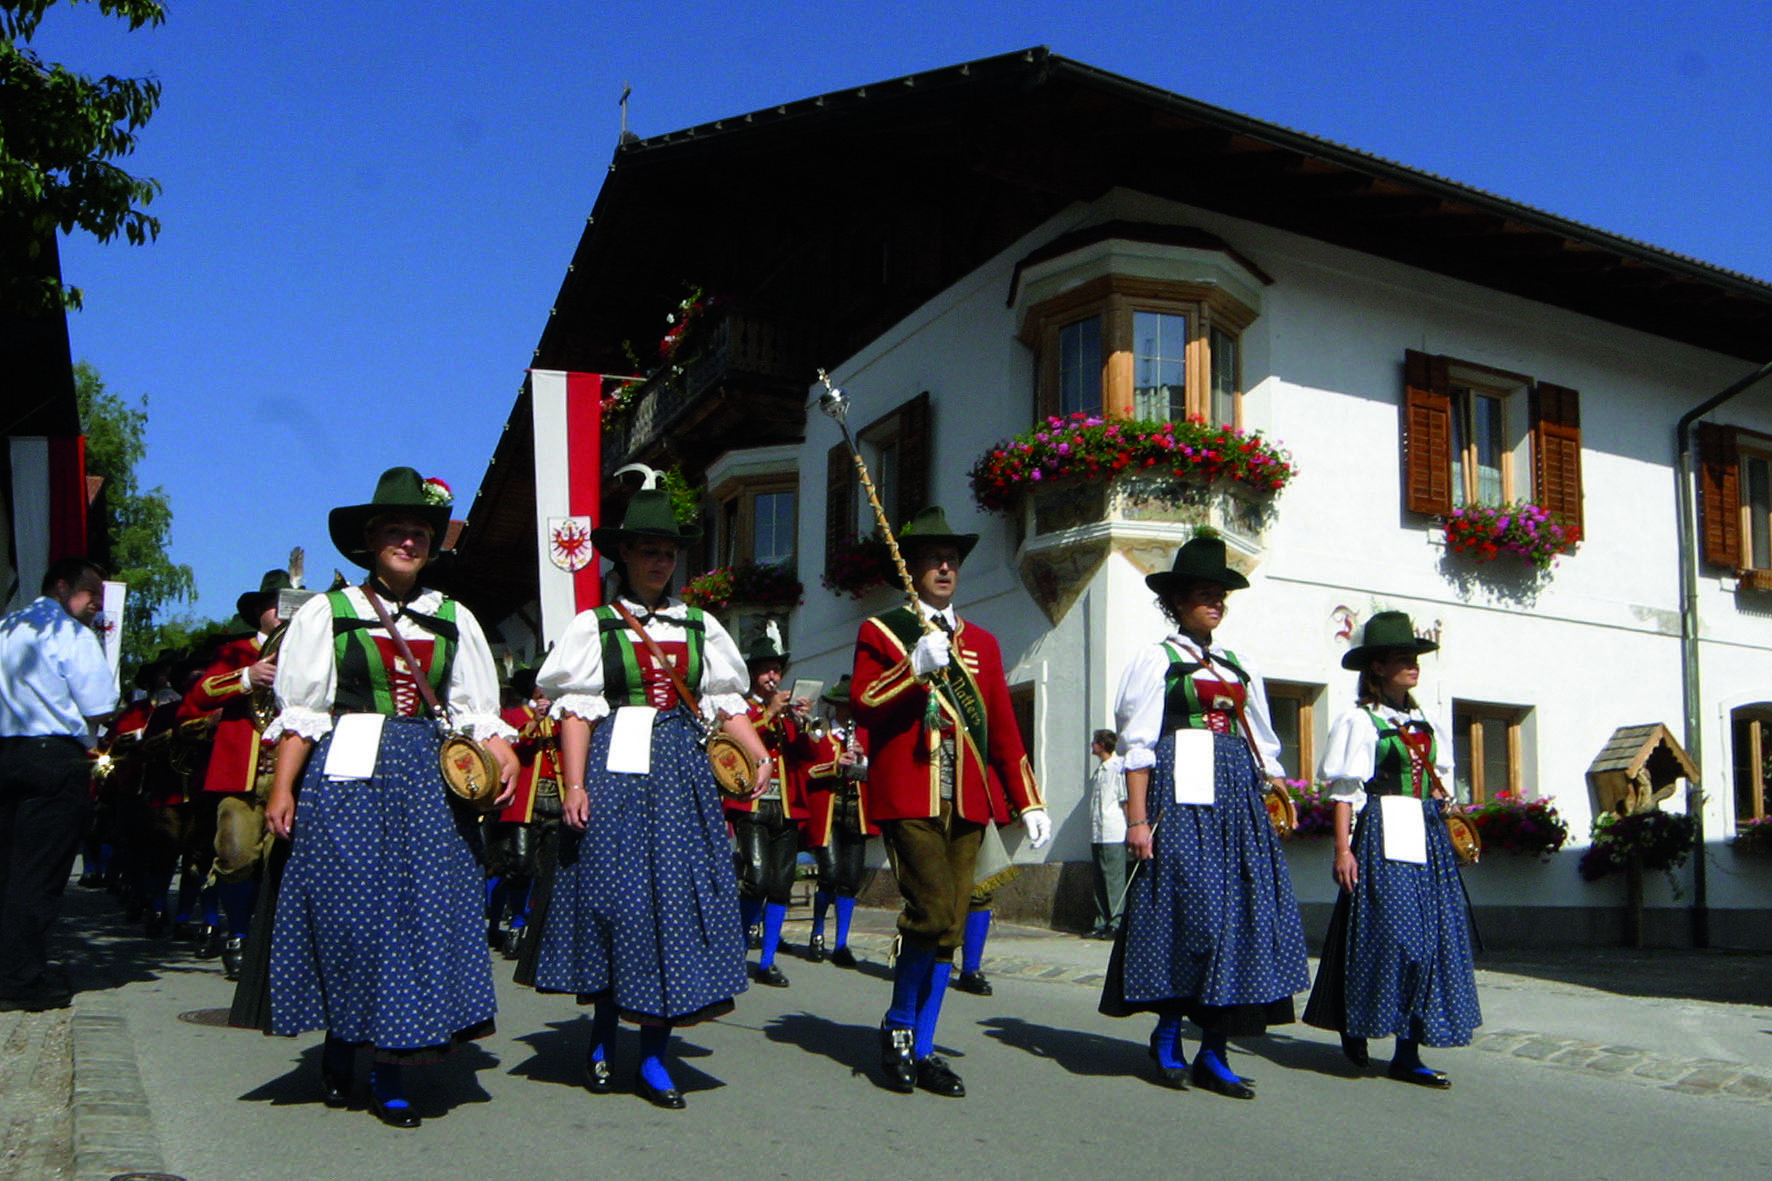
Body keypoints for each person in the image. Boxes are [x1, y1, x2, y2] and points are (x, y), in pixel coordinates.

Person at [263, 467, 518, 1128]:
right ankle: (344, 1036)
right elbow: (303, 709)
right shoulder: (328, 611)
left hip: (427, 781)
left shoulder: (453, 618)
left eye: (421, 533)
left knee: (416, 914)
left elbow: (476, 712)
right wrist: (283, 785)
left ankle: (390, 1063)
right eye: (396, 531)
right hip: (346, 773)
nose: (409, 541)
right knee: (347, 910)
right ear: (370, 540)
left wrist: (502, 752)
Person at [529, 487, 770, 1111]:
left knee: (673, 906)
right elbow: (576, 713)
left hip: (681, 773)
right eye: (647, 552)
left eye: (667, 553)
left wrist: (757, 750)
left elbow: (724, 703)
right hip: (614, 767)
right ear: (625, 557)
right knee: (614, 898)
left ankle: (657, 1056)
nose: (659, 562)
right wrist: (576, 784)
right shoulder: (595, 626)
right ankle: (604, 1035)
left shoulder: (700, 627)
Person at [1099, 535, 1309, 1100]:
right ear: (1177, 602)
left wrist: (1273, 797)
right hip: (1181, 800)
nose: (1215, 603)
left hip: (1235, 805)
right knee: (1189, 917)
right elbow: (1136, 745)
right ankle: (1168, 1032)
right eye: (1203, 594)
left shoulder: (1240, 665)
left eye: (1220, 595)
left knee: (1239, 921)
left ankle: (1215, 1050)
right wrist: (1138, 821)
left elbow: (1264, 745)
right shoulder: (1156, 660)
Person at [852, 506, 1050, 1099]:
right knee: (933, 910)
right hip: (909, 793)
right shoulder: (883, 631)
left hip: (966, 801)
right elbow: (863, 700)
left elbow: (1004, 732)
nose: (945, 567)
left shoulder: (983, 644)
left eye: (952, 560)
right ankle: (897, 1027)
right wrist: (914, 667)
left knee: (952, 929)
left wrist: (1028, 799)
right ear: (910, 569)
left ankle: (925, 1042)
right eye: (933, 559)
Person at [1302, 611, 1480, 1088]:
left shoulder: (1426, 722)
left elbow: (1441, 786)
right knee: (1390, 938)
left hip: (1426, 833)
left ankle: (1408, 1049)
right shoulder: (1361, 722)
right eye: (1401, 658)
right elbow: (1345, 790)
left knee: (1430, 941)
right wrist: (1343, 850)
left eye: (1414, 657)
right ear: (1377, 668)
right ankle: (1355, 1018)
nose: (1412, 665)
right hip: (1382, 831)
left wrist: (1454, 823)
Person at [0, 557, 117, 1011]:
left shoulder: (7, 627)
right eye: (91, 595)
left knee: (7, 868)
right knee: (39, 875)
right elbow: (100, 703)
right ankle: (21, 978)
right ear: (63, 587)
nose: (95, 606)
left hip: (6, 752)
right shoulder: (69, 634)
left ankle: (11, 969)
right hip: (51, 758)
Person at [180, 570, 290, 977]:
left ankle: (269, 939)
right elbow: (200, 694)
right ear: (262, 612)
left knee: (281, 864)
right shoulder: (236, 651)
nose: (286, 615)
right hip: (242, 778)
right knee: (237, 855)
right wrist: (247, 676)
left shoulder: (310, 651)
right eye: (280, 606)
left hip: (288, 776)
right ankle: (238, 932)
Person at [729, 630, 811, 988]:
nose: (772, 677)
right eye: (765, 671)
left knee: (780, 885)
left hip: (786, 807)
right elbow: (733, 746)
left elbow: (805, 755)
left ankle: (767, 961)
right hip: (752, 805)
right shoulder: (741, 709)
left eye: (776, 670)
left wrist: (802, 724)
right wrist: (768, 715)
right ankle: (736, 950)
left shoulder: (787, 711)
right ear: (753, 676)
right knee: (756, 878)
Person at [484, 667, 562, 960]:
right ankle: (515, 923)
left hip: (556, 798)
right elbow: (509, 746)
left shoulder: (562, 717)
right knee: (521, 865)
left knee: (550, 871)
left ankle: (543, 928)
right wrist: (534, 724)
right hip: (525, 804)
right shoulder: (515, 716)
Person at [803, 675, 872, 967]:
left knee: (851, 879)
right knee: (829, 874)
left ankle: (842, 943)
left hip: (856, 813)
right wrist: (836, 764)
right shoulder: (819, 731)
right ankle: (818, 931)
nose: (848, 712)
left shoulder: (865, 735)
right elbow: (806, 771)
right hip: (829, 812)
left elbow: (877, 773)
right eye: (844, 706)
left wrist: (862, 759)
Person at [1086, 729, 1128, 940]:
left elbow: (1124, 799)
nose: (1092, 745)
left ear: (1102, 745)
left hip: (1114, 831)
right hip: (1098, 831)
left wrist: (1131, 828)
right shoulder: (1099, 771)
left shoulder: (1117, 768)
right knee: (1100, 880)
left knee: (1114, 880)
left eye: (1095, 742)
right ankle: (1101, 920)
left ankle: (1117, 921)